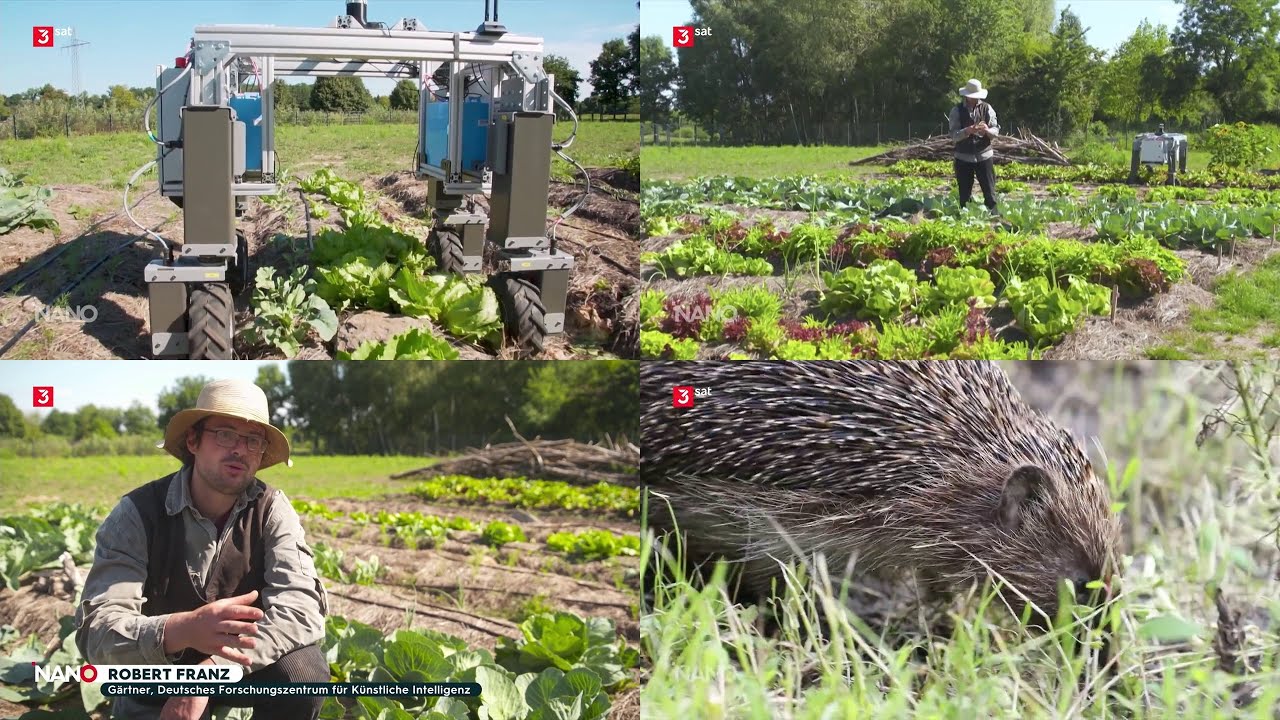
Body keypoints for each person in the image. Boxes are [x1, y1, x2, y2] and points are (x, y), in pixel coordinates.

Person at [74, 379, 330, 720]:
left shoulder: (272, 509)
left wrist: (209, 674)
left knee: (303, 673)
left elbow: (301, 610)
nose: (240, 449)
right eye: (225, 434)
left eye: (253, 440)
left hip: (236, 666)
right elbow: (97, 632)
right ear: (192, 440)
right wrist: (181, 629)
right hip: (157, 673)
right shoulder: (138, 513)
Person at [949, 78, 1001, 212]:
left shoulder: (987, 108)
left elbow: (996, 130)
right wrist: (967, 131)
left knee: (990, 192)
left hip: (984, 155)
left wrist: (987, 131)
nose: (974, 99)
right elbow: (953, 135)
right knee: (964, 195)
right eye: (972, 96)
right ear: (966, 95)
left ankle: (994, 216)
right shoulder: (956, 111)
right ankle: (966, 217)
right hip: (963, 157)